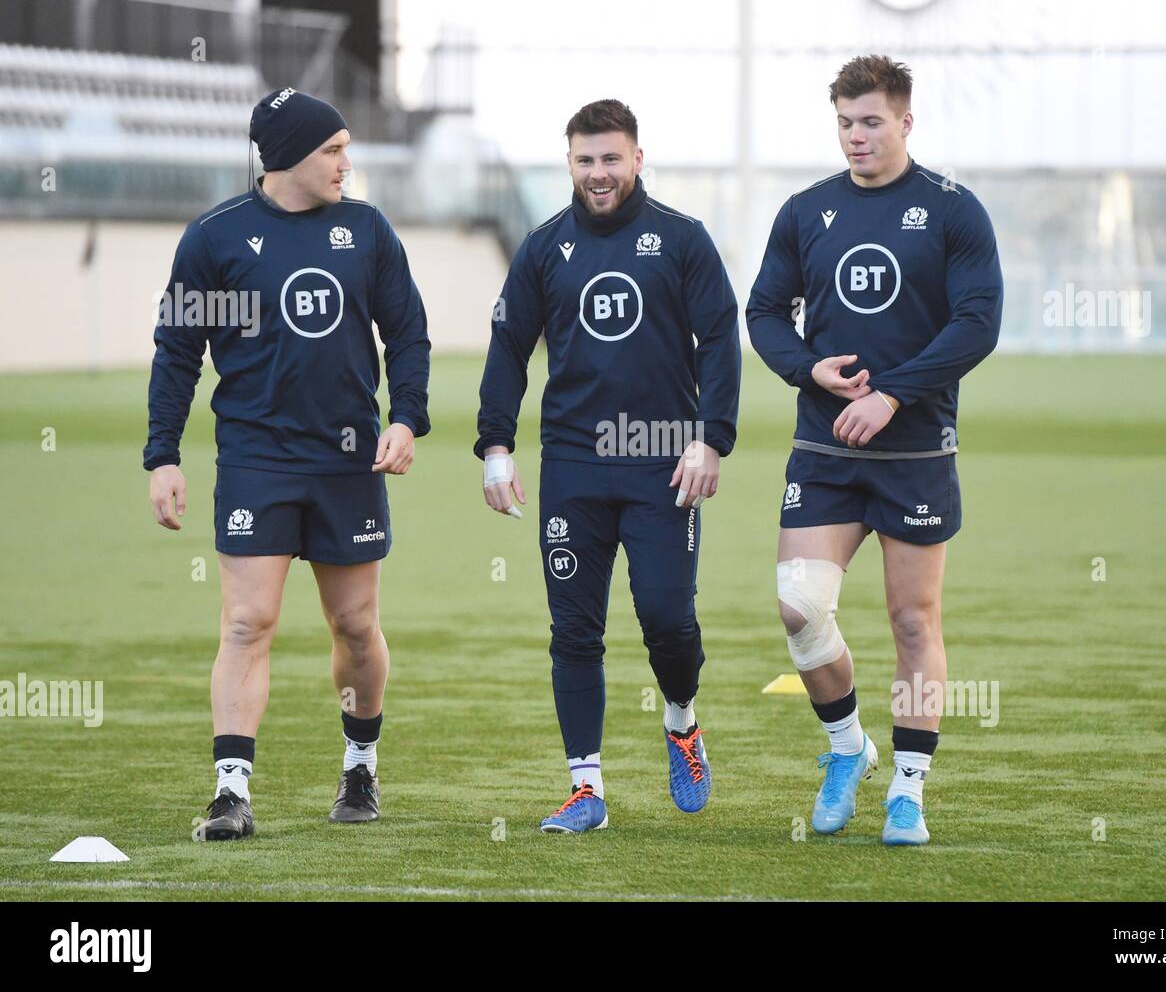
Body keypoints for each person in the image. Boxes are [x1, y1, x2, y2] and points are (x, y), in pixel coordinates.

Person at [144, 88, 431, 839]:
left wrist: (405, 417)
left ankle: (360, 765)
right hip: (254, 461)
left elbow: (407, 334)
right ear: (288, 158)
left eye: (344, 148)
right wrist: (163, 455)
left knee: (356, 626)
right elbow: (177, 353)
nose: (346, 162)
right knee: (246, 621)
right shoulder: (217, 237)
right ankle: (231, 792)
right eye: (332, 150)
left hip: (348, 465)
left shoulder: (366, 231)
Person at [747, 56, 1002, 845]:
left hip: (916, 453)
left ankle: (909, 790)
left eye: (871, 122)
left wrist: (893, 394)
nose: (856, 137)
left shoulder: (953, 211)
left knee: (912, 621)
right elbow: (761, 314)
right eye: (845, 124)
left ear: (905, 122)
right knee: (798, 605)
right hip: (825, 449)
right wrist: (805, 367)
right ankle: (847, 749)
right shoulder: (806, 211)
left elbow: (977, 323)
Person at [476, 99, 741, 833]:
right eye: (586, 160)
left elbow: (720, 339)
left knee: (666, 617)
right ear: (569, 162)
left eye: (612, 159)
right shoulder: (541, 248)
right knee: (574, 631)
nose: (599, 173)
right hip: (573, 465)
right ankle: (585, 788)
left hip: (664, 463)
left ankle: (682, 720)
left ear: (637, 159)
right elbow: (507, 348)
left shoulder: (682, 241)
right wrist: (495, 444)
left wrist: (710, 437)